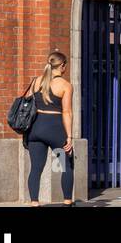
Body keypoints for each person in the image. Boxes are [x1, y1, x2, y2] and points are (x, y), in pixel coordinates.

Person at [24, 51, 74, 206]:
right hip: (55, 131)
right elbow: (67, 112)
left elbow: (28, 103)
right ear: (63, 66)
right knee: (65, 165)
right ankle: (67, 202)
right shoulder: (65, 85)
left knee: (36, 168)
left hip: (36, 130)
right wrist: (70, 137)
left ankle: (34, 203)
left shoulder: (36, 81)